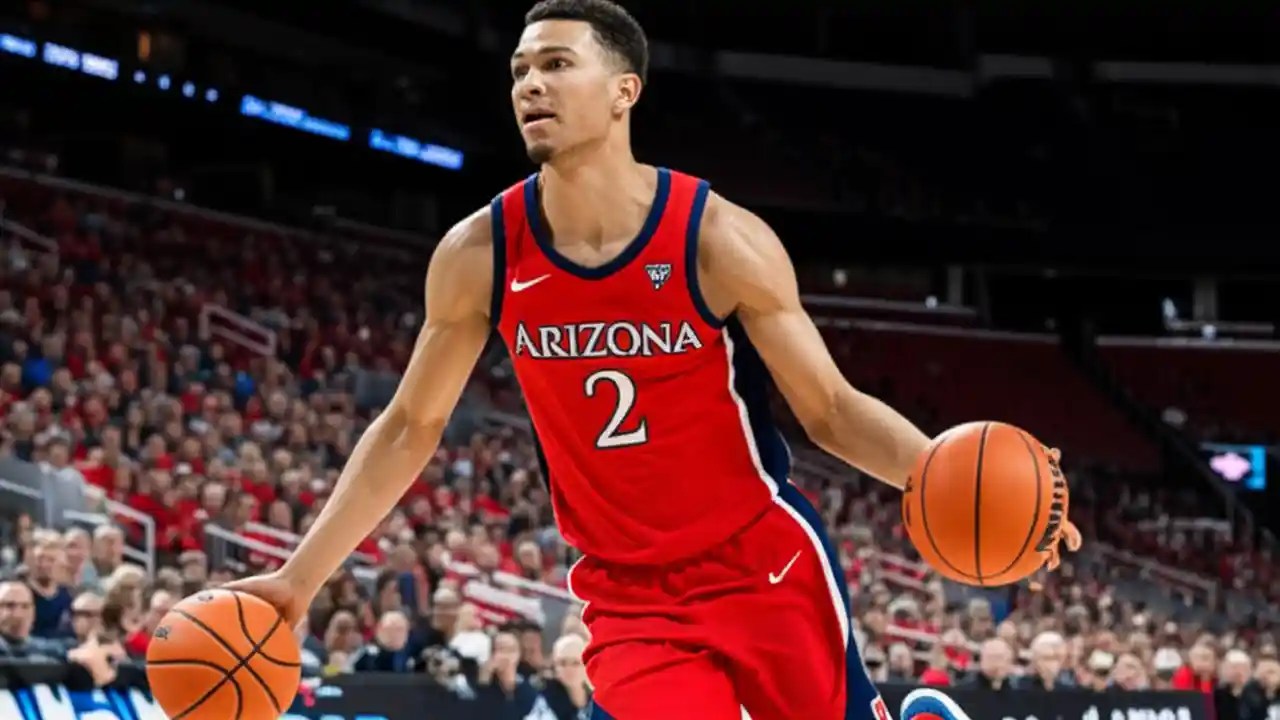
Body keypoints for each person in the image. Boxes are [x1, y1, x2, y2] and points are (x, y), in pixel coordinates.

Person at [226, 1, 1081, 717]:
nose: (530, 84)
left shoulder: (719, 239)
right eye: (520, 70)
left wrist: (962, 485)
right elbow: (410, 426)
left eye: (557, 65)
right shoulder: (480, 253)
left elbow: (829, 410)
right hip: (627, 595)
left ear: (623, 91)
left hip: (763, 560)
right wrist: (298, 584)